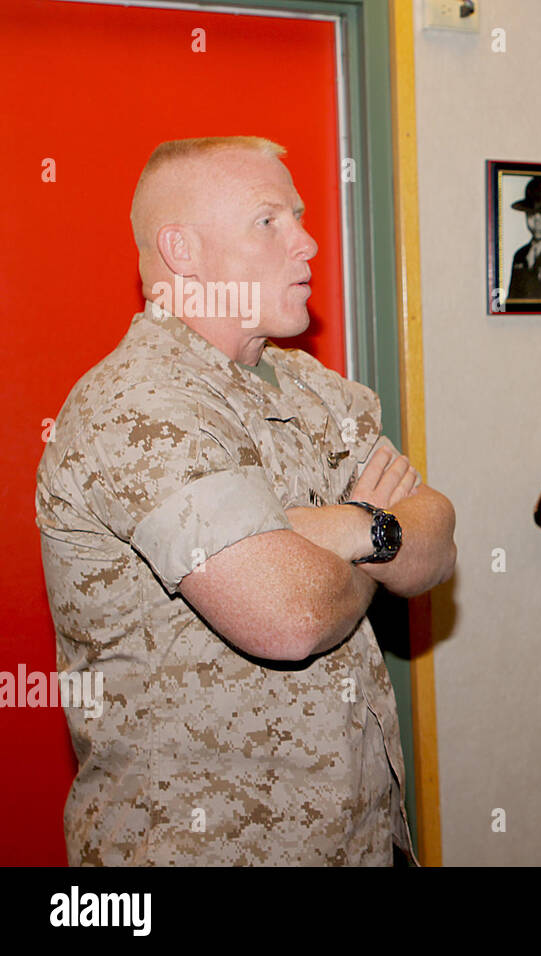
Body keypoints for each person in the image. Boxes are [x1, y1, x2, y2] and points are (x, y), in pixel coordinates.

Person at [34, 136, 457, 866]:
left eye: (298, 216)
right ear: (183, 250)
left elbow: (438, 540)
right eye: (270, 221)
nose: (309, 241)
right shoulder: (137, 407)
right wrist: (366, 533)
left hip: (359, 842)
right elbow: (288, 618)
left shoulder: (314, 388)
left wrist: (346, 528)